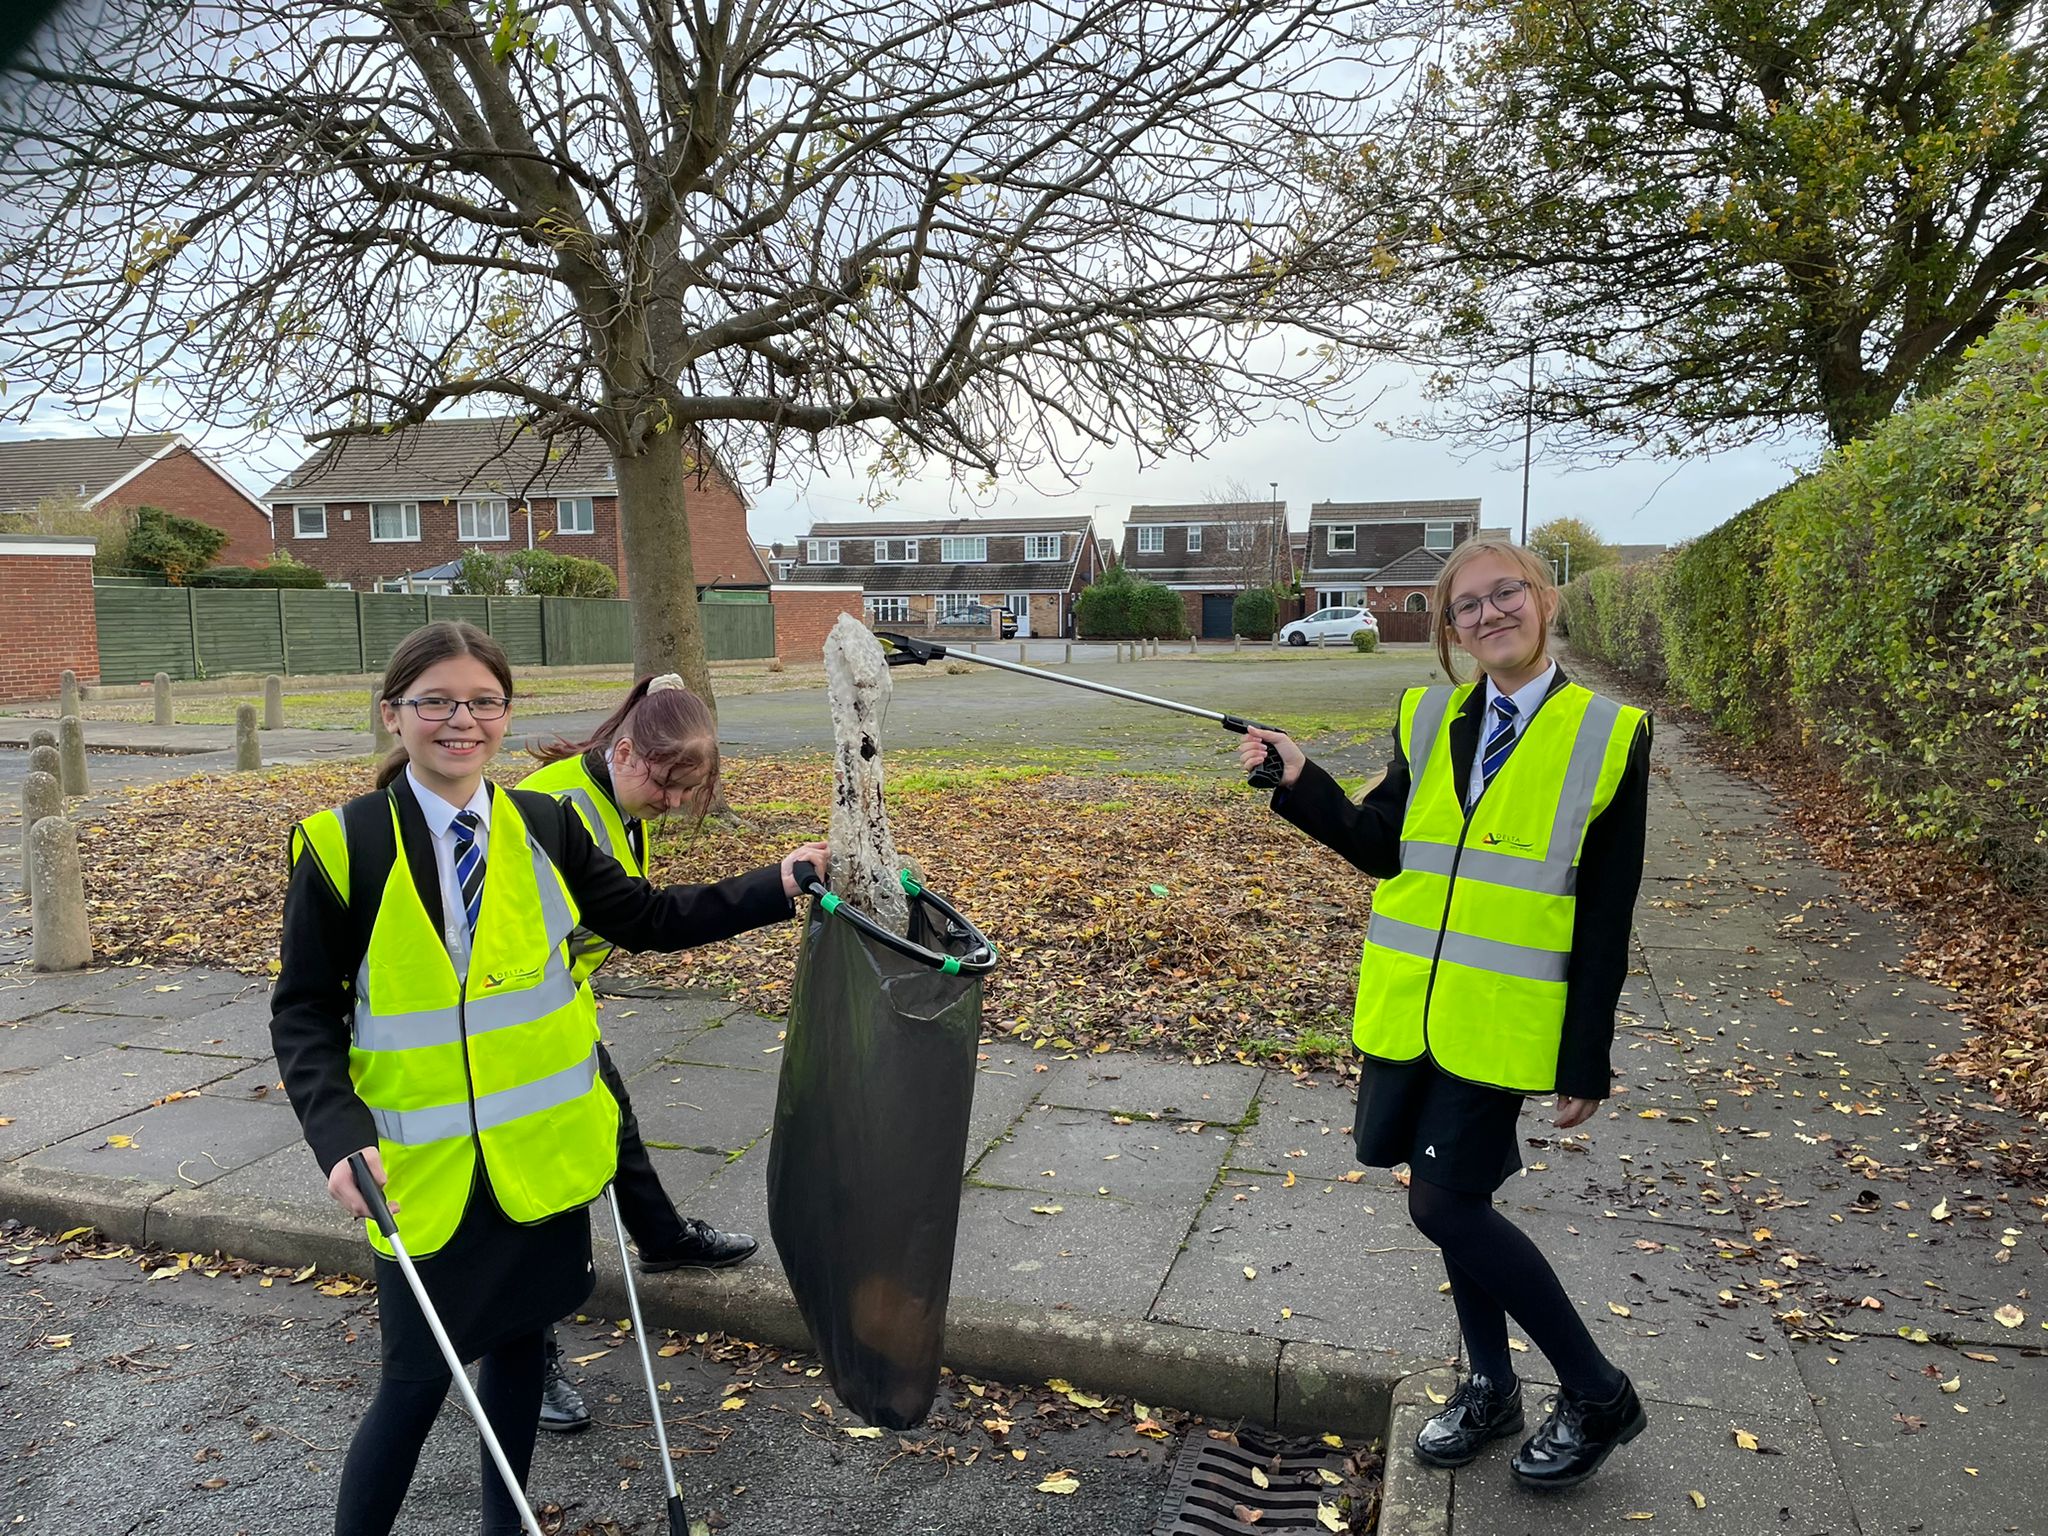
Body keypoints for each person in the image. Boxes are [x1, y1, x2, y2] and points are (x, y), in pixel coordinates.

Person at [270, 621, 827, 1536]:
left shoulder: (544, 824)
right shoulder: (344, 846)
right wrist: (338, 1138)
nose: (462, 720)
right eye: (437, 701)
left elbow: (648, 918)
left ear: (505, 715)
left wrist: (779, 882)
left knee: (522, 1352)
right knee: (413, 1387)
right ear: (394, 716)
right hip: (423, 1177)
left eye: (483, 702)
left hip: (539, 1162)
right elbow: (303, 1012)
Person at [1240, 540, 1652, 1491]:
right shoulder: (1427, 718)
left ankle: (1597, 1392)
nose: (1489, 613)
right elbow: (1385, 847)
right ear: (1449, 630)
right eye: (1466, 606)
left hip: (1502, 1021)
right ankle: (1492, 1387)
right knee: (1450, 1207)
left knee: (1445, 1203)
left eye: (1505, 593)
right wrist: (1301, 779)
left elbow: (1607, 911)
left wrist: (1585, 1056)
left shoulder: (1608, 734)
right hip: (1408, 1009)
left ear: (1542, 599)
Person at [518, 672, 755, 1433]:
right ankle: (525, 1359)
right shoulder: (560, 806)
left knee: (611, 1119)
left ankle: (661, 1239)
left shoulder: (613, 789)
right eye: (669, 782)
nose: (677, 802)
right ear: (623, 750)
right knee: (538, 1198)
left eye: (692, 789)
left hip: (550, 1004)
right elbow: (645, 918)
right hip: (501, 1026)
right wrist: (772, 888)